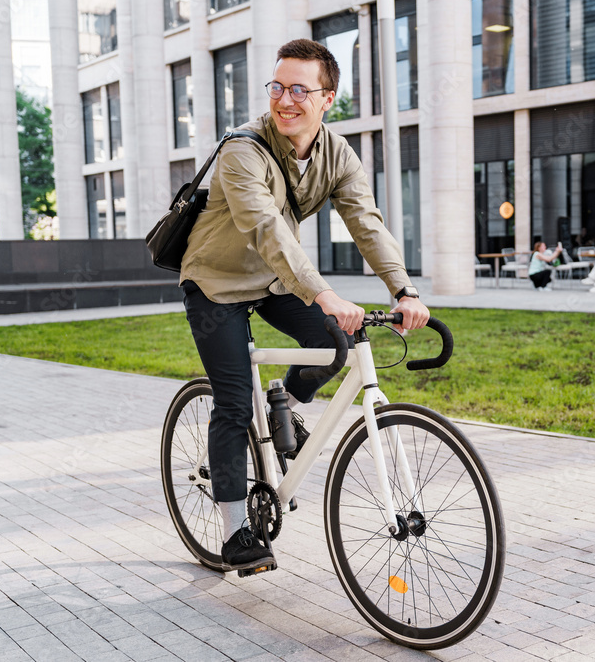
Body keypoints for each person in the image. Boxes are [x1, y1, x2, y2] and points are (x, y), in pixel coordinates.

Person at [178, 39, 429, 574]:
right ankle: (233, 530)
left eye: (299, 89)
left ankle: (287, 403)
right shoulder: (242, 150)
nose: (285, 100)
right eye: (277, 87)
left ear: (327, 97)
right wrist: (325, 292)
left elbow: (366, 222)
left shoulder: (337, 154)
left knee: (334, 343)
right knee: (232, 402)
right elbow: (269, 231)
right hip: (215, 283)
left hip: (272, 281)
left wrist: (402, 289)